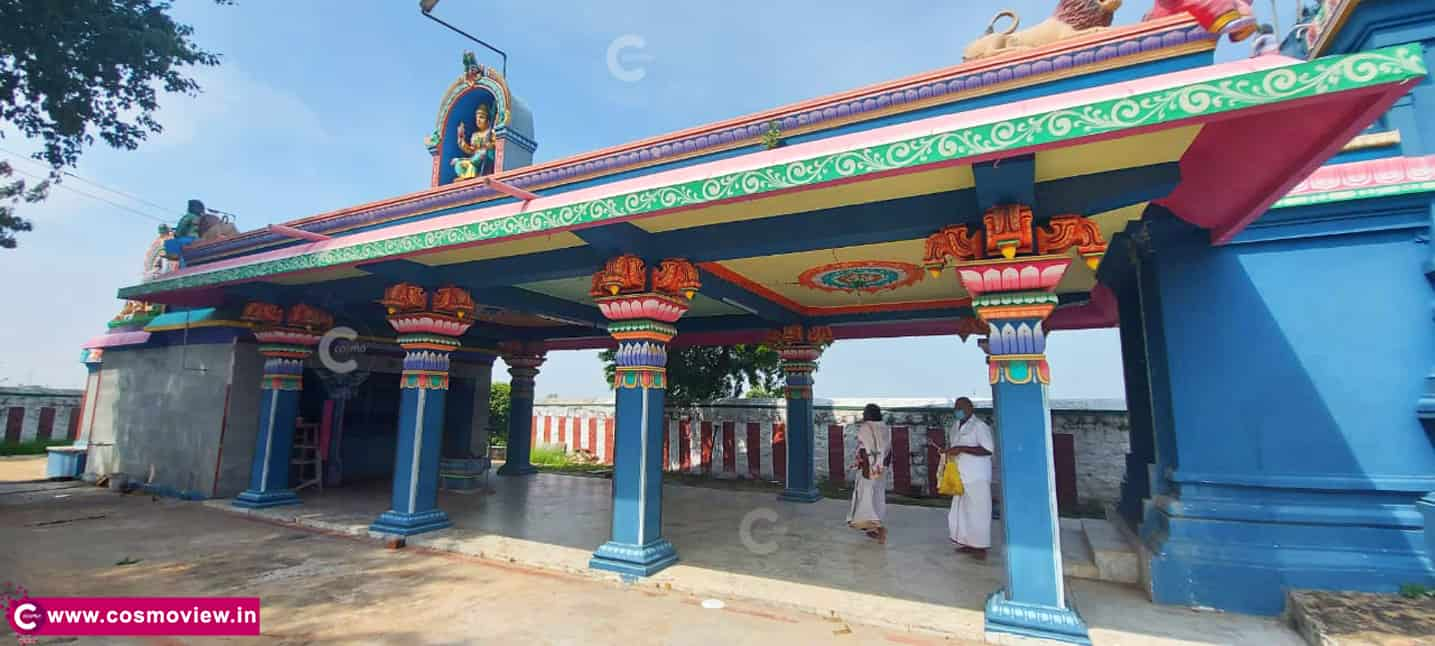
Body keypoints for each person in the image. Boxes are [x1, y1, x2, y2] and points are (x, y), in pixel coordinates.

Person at [944, 397, 994, 560]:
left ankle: (980, 546)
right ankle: (966, 542)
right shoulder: (955, 426)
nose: (957, 410)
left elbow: (988, 449)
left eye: (961, 407)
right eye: (956, 407)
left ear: (970, 408)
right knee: (963, 512)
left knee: (979, 511)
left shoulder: (979, 426)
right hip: (960, 475)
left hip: (976, 476)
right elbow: (955, 446)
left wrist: (962, 448)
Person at [847, 403, 891, 544]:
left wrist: (866, 469)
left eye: (865, 412)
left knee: (865, 498)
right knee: (877, 496)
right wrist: (882, 466)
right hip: (881, 468)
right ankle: (874, 528)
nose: (863, 415)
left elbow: (865, 450)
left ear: (870, 414)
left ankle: (877, 528)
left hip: (868, 468)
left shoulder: (866, 427)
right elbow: (887, 450)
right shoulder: (884, 428)